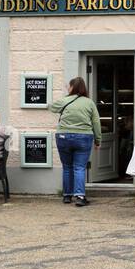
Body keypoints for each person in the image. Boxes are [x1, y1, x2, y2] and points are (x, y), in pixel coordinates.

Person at [49, 77, 102, 206]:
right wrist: (98, 140)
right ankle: (79, 196)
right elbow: (96, 122)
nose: (68, 88)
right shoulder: (89, 103)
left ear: (73, 87)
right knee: (79, 168)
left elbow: (51, 106)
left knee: (67, 167)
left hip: (63, 137)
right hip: (83, 137)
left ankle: (67, 196)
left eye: (69, 86)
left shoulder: (65, 100)